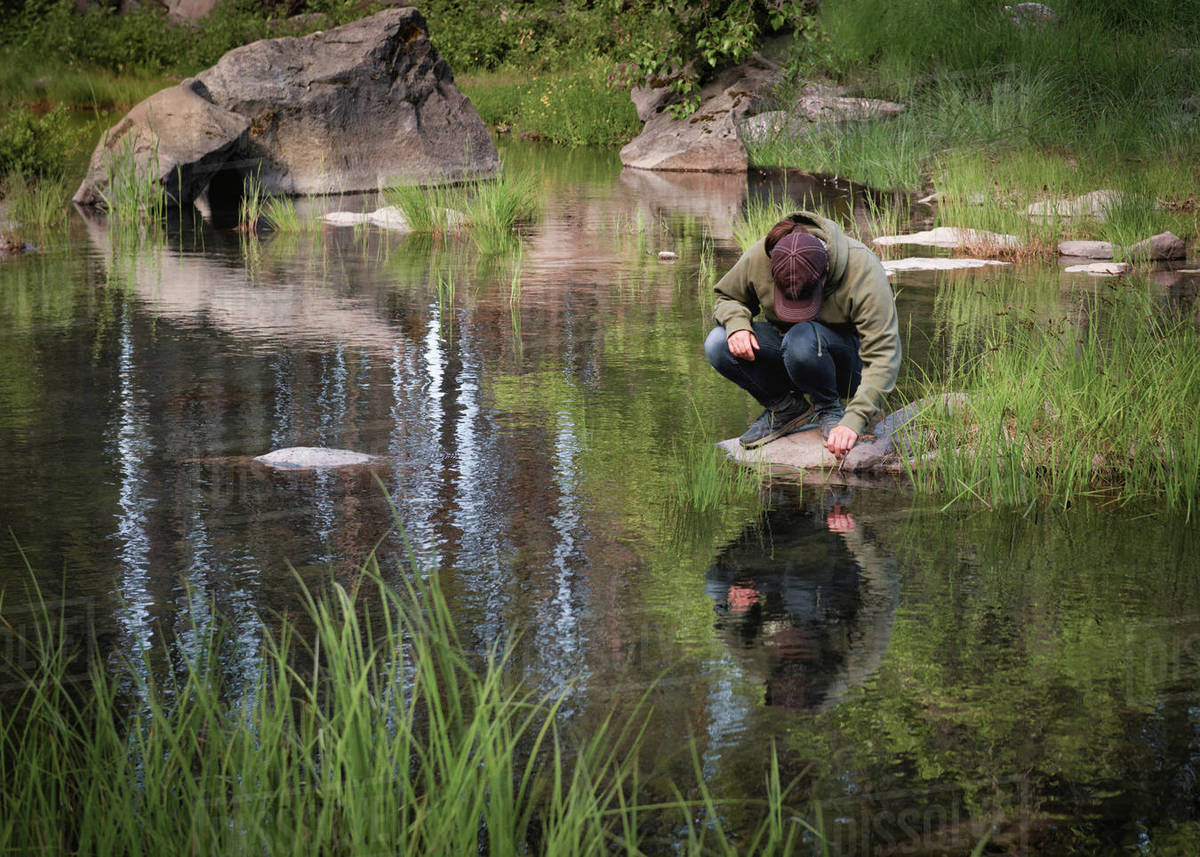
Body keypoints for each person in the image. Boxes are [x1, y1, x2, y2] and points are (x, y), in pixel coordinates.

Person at [704, 211, 900, 458]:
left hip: (848, 365)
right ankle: (785, 408)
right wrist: (737, 324)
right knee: (718, 343)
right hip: (791, 350)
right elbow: (728, 297)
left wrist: (854, 420)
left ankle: (830, 409)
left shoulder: (862, 268)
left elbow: (885, 355)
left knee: (802, 337)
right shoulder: (762, 255)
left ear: (825, 271)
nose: (796, 312)